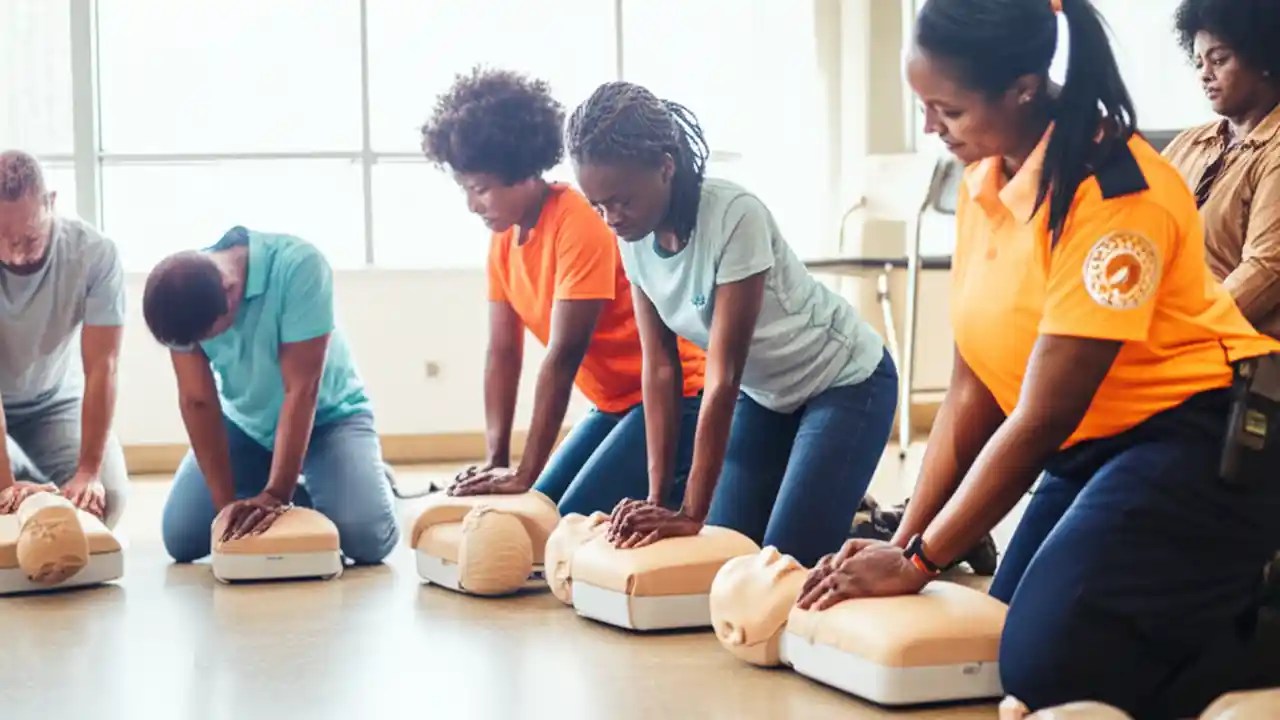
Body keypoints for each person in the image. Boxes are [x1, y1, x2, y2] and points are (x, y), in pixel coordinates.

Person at [793, 1, 1280, 717]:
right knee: (1009, 625)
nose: (931, 128)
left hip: (1201, 440)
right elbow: (971, 391)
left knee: (1046, 660)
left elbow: (1044, 413)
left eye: (946, 109)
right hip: (1096, 446)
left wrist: (921, 563)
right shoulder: (986, 176)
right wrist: (902, 544)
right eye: (923, 105)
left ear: (1022, 88)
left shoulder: (1118, 192)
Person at [566, 82, 898, 569]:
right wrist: (660, 500)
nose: (610, 218)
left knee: (780, 565)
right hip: (766, 398)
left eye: (621, 201)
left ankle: (888, 531)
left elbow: (723, 377)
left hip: (845, 383)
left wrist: (691, 512)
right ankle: (844, 515)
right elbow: (660, 369)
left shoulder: (734, 215)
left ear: (665, 166)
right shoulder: (632, 235)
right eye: (598, 206)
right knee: (728, 557)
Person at [419, 67, 706, 515]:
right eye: (466, 189)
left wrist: (525, 472)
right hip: (614, 405)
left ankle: (688, 482)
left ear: (522, 171)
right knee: (541, 503)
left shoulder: (579, 220)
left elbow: (564, 354)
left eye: (481, 190)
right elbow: (503, 353)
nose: (473, 205)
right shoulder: (502, 240)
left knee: (558, 513)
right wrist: (499, 462)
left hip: (679, 396)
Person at [142, 227, 399, 564]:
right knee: (183, 537)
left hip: (329, 419)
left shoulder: (299, 266)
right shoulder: (181, 296)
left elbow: (301, 389)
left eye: (208, 335)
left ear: (230, 292)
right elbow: (197, 401)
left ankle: (368, 482)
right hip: (245, 426)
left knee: (365, 540)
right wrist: (225, 510)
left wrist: (277, 493)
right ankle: (315, 488)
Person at [0, 150, 128, 526]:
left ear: (50, 203)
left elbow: (103, 366)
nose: (14, 254)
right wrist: (6, 486)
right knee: (11, 506)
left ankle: (42, 497)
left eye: (28, 237)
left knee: (108, 499)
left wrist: (88, 471)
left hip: (54, 404)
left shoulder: (95, 254)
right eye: (1, 238)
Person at [1163, 0, 1280, 337]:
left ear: (1263, 61)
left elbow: (1265, 269)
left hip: (1240, 361)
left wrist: (1180, 332)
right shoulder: (1189, 144)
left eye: (1218, 59)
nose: (1204, 73)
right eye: (1199, 62)